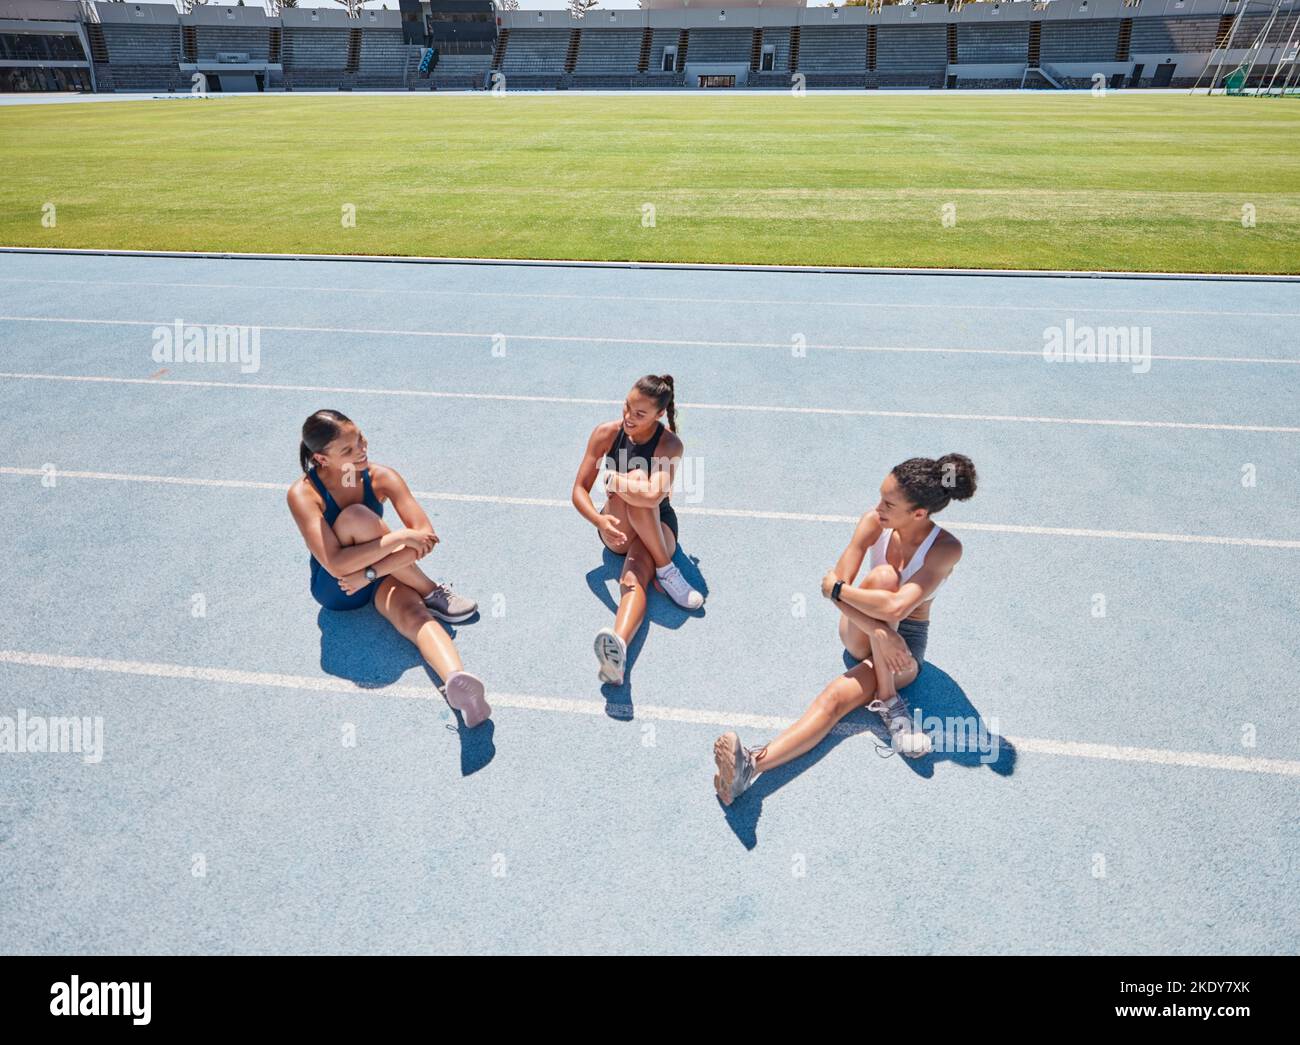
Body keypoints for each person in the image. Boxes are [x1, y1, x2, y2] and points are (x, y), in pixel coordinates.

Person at [712, 454, 978, 804]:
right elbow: (839, 592)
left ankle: (751, 765)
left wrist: (838, 591)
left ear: (918, 514)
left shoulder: (946, 548)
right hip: (862, 630)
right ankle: (889, 701)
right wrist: (879, 631)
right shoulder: (873, 522)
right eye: (880, 497)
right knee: (883, 577)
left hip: (905, 648)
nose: (877, 508)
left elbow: (894, 606)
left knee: (835, 698)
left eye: (888, 503)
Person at [286, 409, 491, 728]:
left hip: (371, 575)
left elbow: (426, 539)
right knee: (357, 517)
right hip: (338, 588)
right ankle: (431, 591)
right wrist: (400, 536)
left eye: (361, 440)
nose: (362, 451)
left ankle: (456, 682)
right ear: (321, 459)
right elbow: (337, 563)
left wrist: (370, 573)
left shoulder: (382, 477)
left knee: (416, 617)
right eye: (348, 450)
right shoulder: (303, 494)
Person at [571, 375, 704, 685]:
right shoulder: (606, 433)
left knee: (631, 578)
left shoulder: (670, 444)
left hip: (658, 526)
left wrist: (614, 481)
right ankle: (667, 571)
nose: (629, 417)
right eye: (627, 407)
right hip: (615, 526)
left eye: (640, 414)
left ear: (659, 415)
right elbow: (578, 490)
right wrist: (599, 520)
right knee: (635, 484)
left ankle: (618, 649)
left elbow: (654, 496)